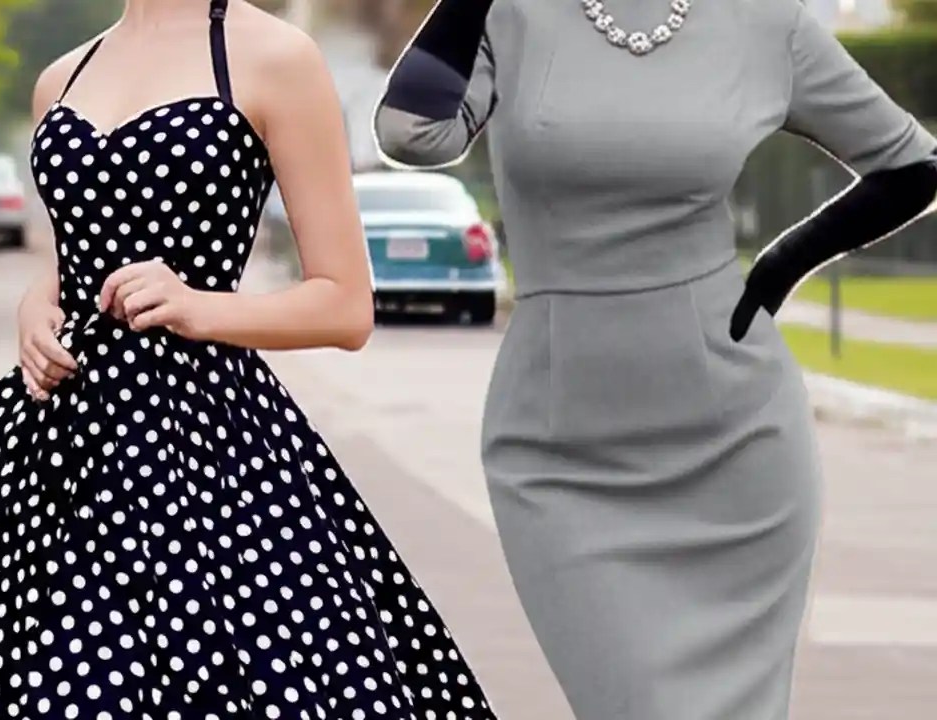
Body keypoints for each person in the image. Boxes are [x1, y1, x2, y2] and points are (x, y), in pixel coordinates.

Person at [0, 1, 500, 717]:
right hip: (49, 452)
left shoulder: (274, 56)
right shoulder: (62, 76)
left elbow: (345, 304)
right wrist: (37, 304)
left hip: (204, 454)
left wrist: (201, 307)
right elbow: (75, 260)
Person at [374, 0, 937, 718]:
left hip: (736, 444)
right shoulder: (513, 12)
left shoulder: (765, 22)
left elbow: (912, 166)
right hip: (558, 452)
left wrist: (779, 265)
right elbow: (409, 132)